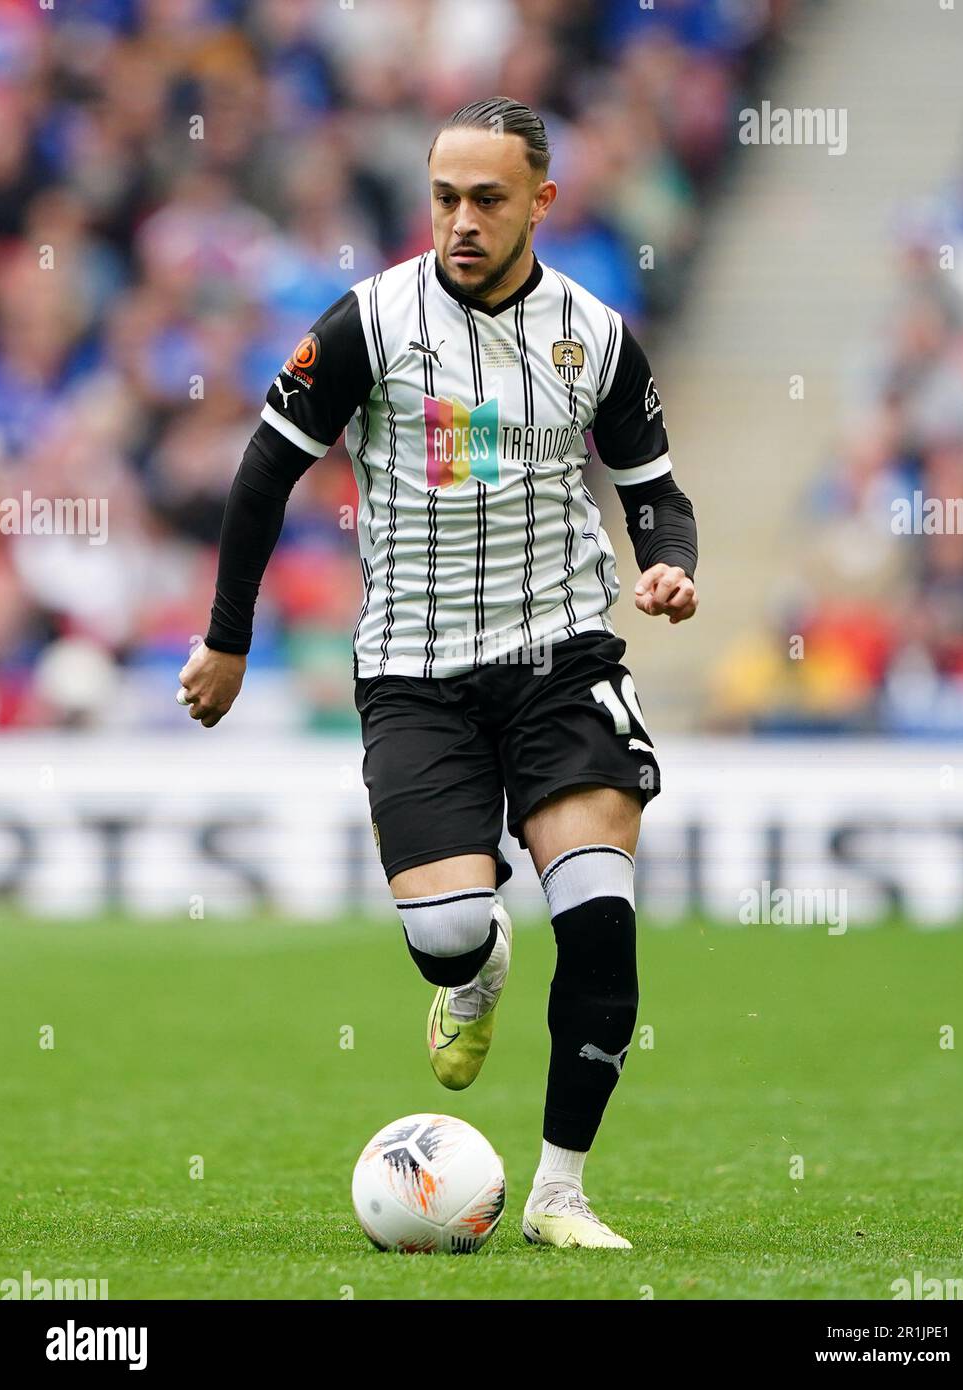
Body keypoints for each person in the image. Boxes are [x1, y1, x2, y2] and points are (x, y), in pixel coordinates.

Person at [178, 97, 699, 1249]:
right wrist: (229, 638)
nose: (461, 221)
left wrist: (665, 564)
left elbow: (652, 487)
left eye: (487, 200)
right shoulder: (368, 322)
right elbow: (264, 472)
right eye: (444, 198)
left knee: (601, 921)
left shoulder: (595, 335)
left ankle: (560, 1192)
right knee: (452, 927)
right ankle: (471, 972)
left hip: (563, 657)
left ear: (540, 203)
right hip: (414, 671)